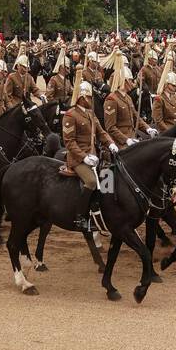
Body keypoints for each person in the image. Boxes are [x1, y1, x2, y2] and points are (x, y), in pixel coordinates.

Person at [62, 78, 117, 233]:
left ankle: (103, 210)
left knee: (109, 175)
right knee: (92, 182)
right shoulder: (70, 115)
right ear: (82, 98)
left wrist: (111, 143)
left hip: (93, 155)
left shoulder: (91, 114)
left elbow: (101, 133)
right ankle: (80, 216)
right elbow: (69, 142)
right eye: (90, 97)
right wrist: (84, 157)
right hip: (77, 158)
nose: (92, 100)